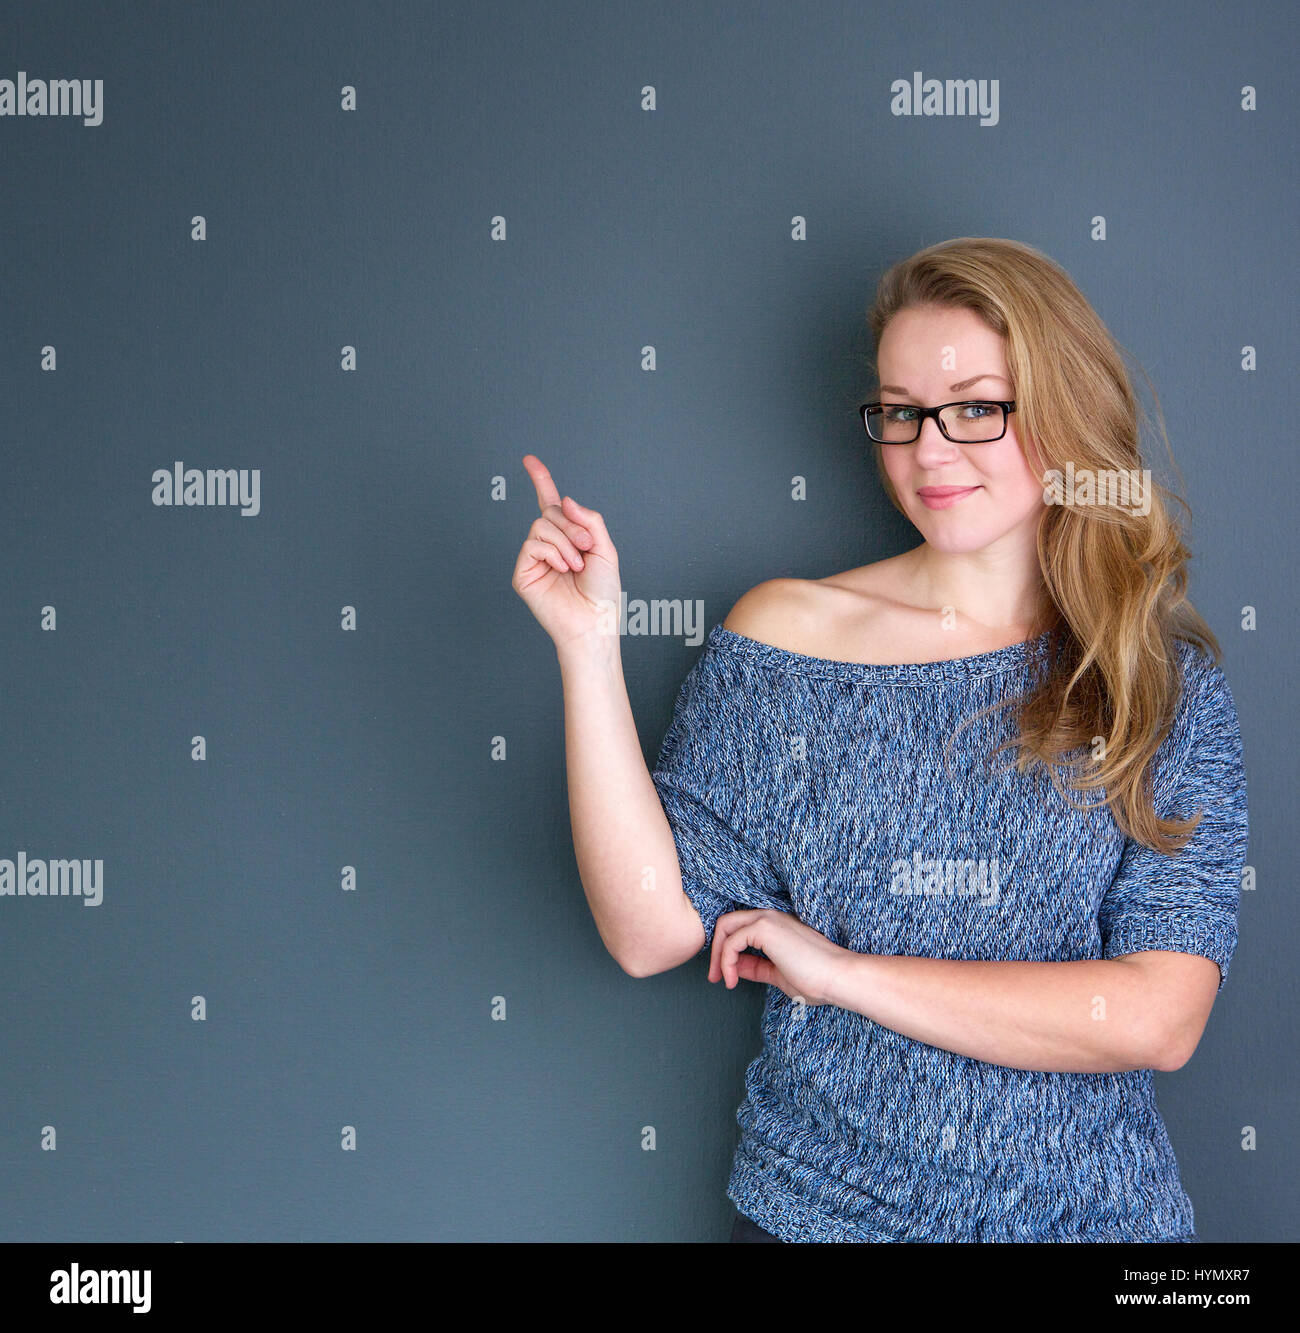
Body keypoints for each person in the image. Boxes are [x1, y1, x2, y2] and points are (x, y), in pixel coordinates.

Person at [510, 236, 1248, 1243]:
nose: (929, 450)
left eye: (975, 408)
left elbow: (1159, 1017)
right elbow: (651, 932)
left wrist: (847, 975)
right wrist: (587, 650)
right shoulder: (783, 638)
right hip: (817, 1219)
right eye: (900, 412)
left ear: (1064, 410)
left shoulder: (1154, 679)